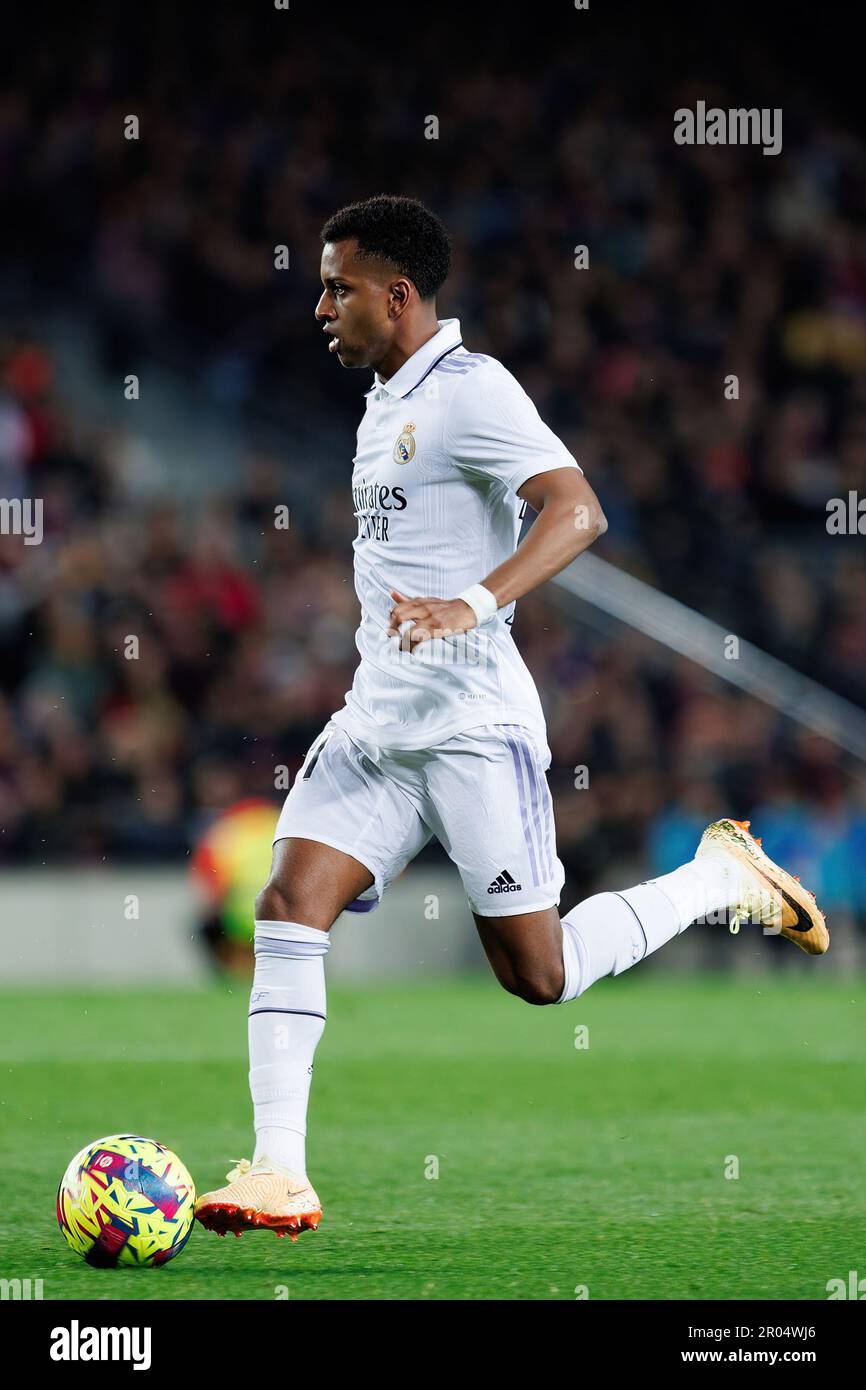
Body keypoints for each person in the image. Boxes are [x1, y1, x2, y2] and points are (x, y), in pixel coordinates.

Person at [195, 196, 828, 1241]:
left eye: (336, 286)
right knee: (286, 903)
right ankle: (279, 1172)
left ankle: (721, 877)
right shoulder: (384, 398)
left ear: (396, 294)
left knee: (539, 975)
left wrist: (475, 601)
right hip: (376, 723)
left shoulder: (470, 390)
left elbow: (577, 508)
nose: (320, 306)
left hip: (470, 727)